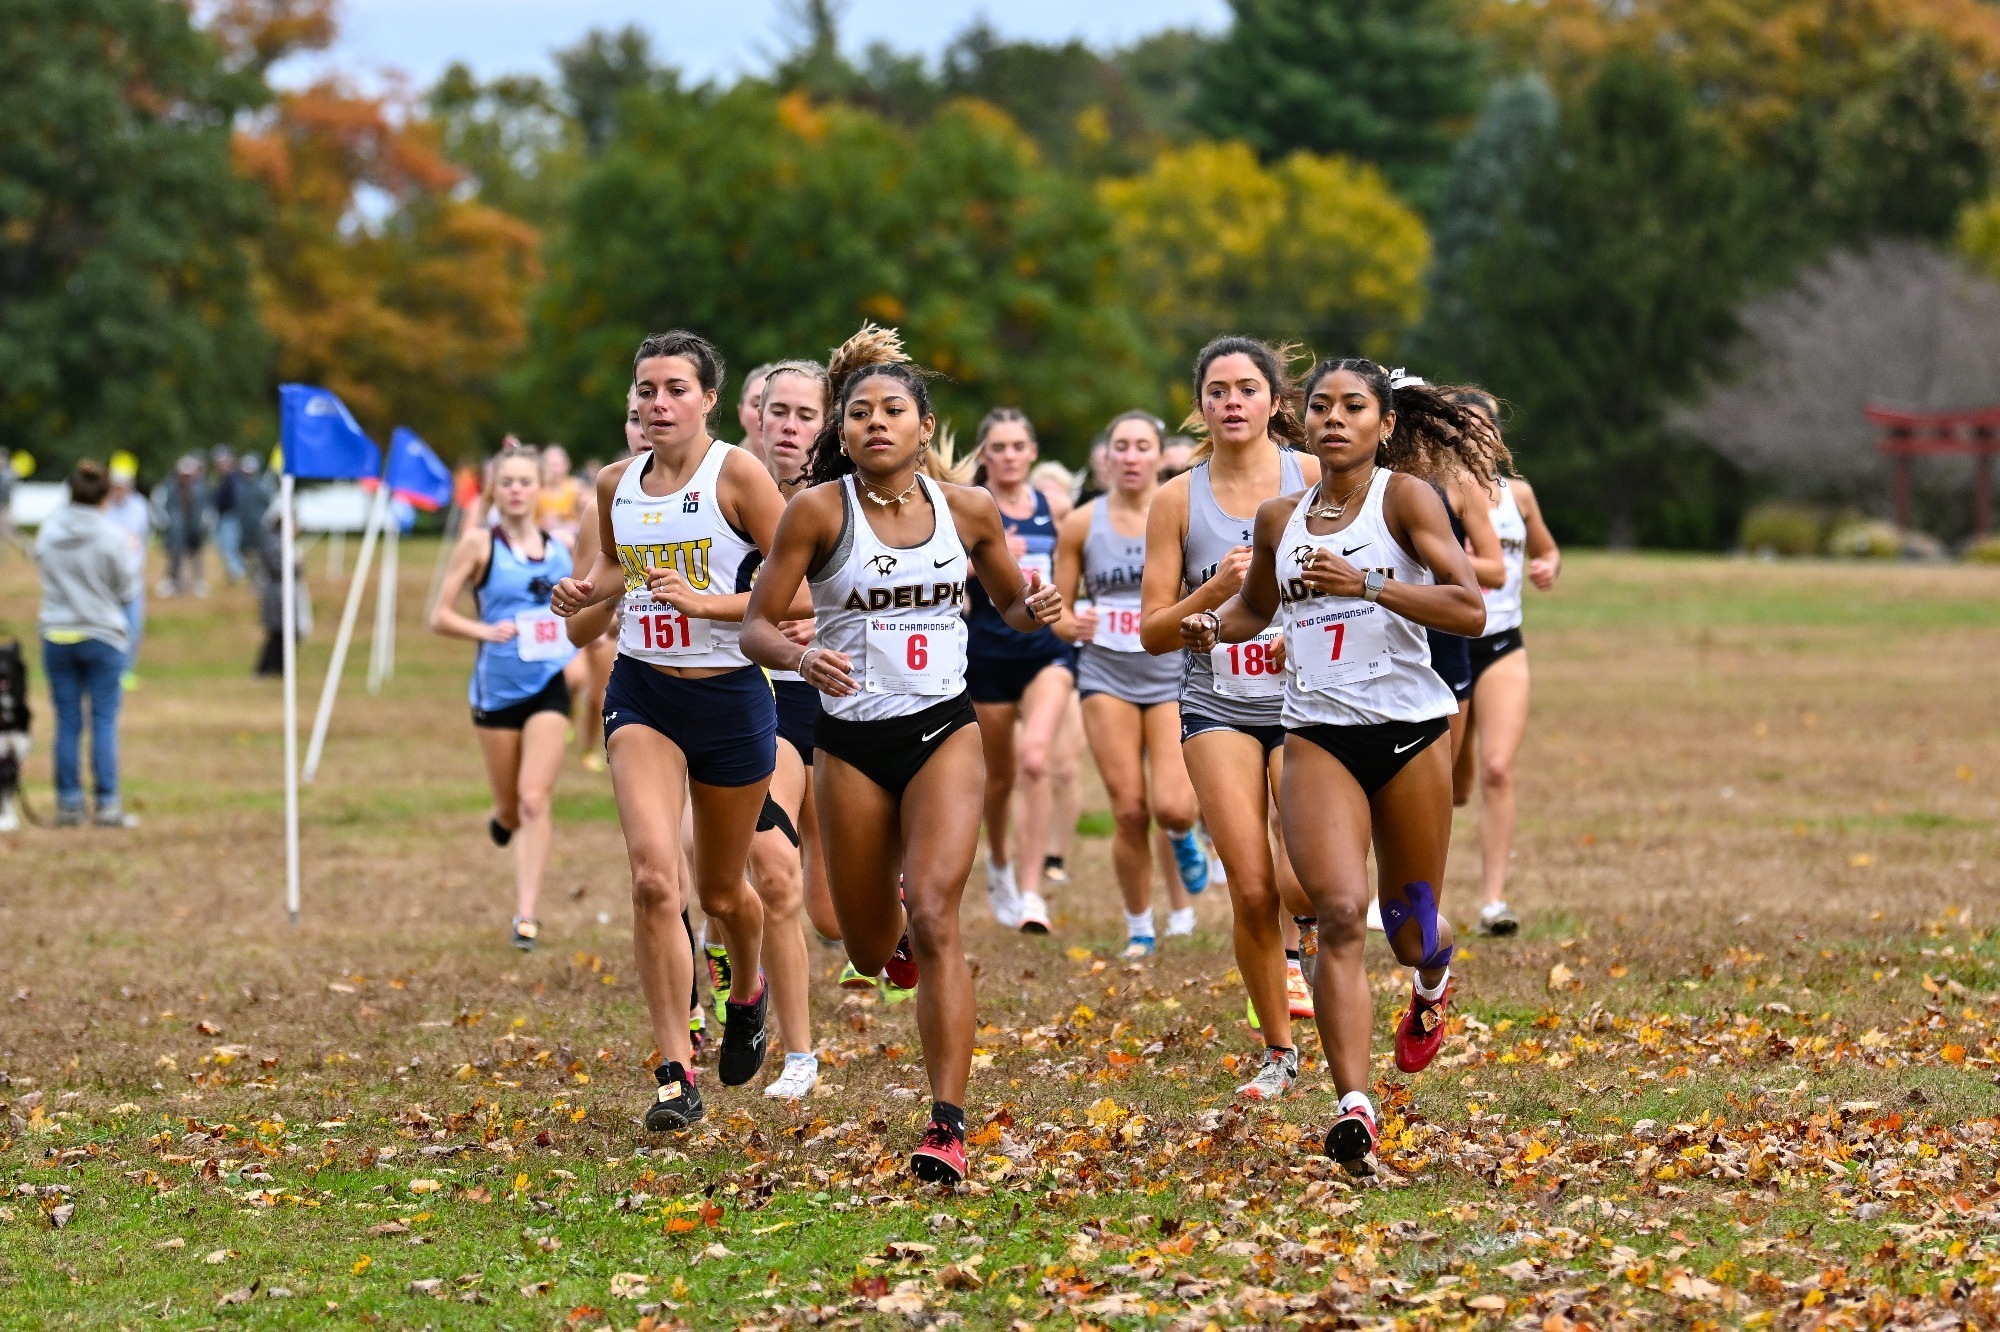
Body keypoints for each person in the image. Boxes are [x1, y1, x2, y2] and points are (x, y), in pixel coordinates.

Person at [741, 324, 1063, 1182]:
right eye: (858, 414)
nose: (875, 423)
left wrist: (1044, 607)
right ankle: (893, 941)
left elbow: (1010, 608)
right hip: (849, 743)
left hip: (943, 731)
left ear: (924, 427)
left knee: (935, 914)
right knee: (864, 946)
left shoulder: (969, 511)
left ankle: (947, 1126)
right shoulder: (817, 513)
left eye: (893, 411)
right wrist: (802, 656)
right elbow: (757, 625)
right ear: (838, 434)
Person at [1184, 358, 1504, 1173]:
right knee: (1335, 911)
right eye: (1320, 406)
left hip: (1410, 733)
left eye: (1353, 406)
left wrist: (1370, 583)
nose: (1334, 419)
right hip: (1318, 731)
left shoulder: (1406, 500)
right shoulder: (1278, 516)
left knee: (1408, 930)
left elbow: (1468, 609)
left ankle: (1433, 981)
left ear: (1384, 423)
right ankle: (1354, 1104)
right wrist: (1210, 626)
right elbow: (1257, 605)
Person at [551, 330, 788, 1131]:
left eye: (675, 389)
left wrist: (708, 604)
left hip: (729, 697)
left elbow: (799, 594)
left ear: (709, 400)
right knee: (656, 879)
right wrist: (583, 592)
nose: (658, 404)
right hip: (644, 693)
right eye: (646, 390)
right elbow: (618, 570)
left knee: (724, 892)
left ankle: (748, 990)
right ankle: (671, 1073)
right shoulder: (616, 482)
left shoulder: (741, 476)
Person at [1140, 336, 1320, 1101]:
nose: (1233, 402)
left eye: (1248, 388)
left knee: (1302, 878)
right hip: (1215, 702)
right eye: (1218, 390)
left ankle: (1312, 938)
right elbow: (1152, 630)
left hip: (1309, 699)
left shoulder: (1311, 477)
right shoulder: (1176, 499)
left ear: (1276, 402)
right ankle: (1279, 1050)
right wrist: (1211, 594)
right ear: (1202, 404)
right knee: (1250, 887)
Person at [1052, 411, 1208, 958]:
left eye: (1143, 446)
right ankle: (1140, 924)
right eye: (1122, 446)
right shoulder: (1080, 524)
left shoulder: (1184, 513)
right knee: (1127, 810)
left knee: (1172, 805)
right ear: (1108, 457)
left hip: (1170, 673)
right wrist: (1074, 624)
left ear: (1160, 455)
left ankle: (1186, 834)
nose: (1132, 456)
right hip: (1106, 674)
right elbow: (1060, 611)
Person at [429, 445, 579, 951]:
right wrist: (484, 630)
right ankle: (502, 819)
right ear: (494, 489)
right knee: (512, 809)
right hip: (495, 692)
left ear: (541, 490)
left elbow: (579, 614)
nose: (516, 490)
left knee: (535, 799)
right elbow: (439, 616)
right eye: (507, 482)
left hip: (548, 686)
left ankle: (526, 914)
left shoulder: (560, 548)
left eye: (525, 481)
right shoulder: (478, 545)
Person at [1449, 390, 1562, 937]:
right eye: (1461, 428)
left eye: (1482, 428)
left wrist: (1547, 566)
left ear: (1497, 436)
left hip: (1502, 644)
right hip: (1446, 644)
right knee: (1452, 785)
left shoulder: (1518, 495)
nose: (1473, 438)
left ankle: (1493, 901)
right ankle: (1418, 896)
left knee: (1498, 769)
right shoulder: (1436, 496)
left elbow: (1546, 549)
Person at [964, 409, 1076, 934]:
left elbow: (1077, 571)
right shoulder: (967, 506)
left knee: (1035, 761)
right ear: (984, 454)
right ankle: (1001, 864)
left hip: (1044, 648)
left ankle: (1032, 893)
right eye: (998, 447)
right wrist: (976, 564)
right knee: (999, 776)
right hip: (985, 649)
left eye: (1017, 446)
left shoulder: (1054, 507)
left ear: (1032, 453)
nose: (1008, 456)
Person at [35, 460, 140, 828]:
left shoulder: (48, 532)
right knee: (103, 720)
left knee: (66, 722)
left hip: (57, 633)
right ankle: (108, 804)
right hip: (102, 635)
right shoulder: (112, 536)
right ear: (105, 495)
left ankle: (68, 804)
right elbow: (127, 592)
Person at [104, 457, 152, 688]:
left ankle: (126, 670)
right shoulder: (104, 508)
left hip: (132, 578)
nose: (118, 491)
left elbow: (140, 540)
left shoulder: (139, 507)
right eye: (115, 486)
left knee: (132, 627)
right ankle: (109, 670)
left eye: (122, 486)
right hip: (107, 580)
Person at [253, 494, 310, 677]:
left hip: (284, 591)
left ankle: (278, 669)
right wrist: (297, 565)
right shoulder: (274, 541)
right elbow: (280, 567)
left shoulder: (282, 541)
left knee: (285, 633)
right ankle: (268, 669)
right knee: (279, 633)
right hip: (277, 593)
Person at [155, 454, 209, 598]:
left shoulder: (200, 488)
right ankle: (173, 582)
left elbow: (205, 506)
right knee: (175, 556)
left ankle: (198, 582)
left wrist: (204, 521)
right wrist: (165, 521)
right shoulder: (169, 487)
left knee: (196, 555)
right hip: (176, 528)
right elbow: (161, 505)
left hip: (194, 527)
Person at [210, 445, 246, 583]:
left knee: (230, 546)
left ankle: (238, 573)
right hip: (223, 517)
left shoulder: (233, 479)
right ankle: (234, 573)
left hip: (231, 517)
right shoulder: (221, 479)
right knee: (223, 546)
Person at [536, 444, 583, 544]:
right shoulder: (537, 491)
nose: (555, 470)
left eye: (557, 465)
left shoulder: (576, 489)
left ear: (566, 465)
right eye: (550, 465)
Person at [735, 363, 777, 464]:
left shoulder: (816, 473)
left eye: (777, 409)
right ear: (741, 413)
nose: (764, 415)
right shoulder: (719, 469)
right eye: (756, 404)